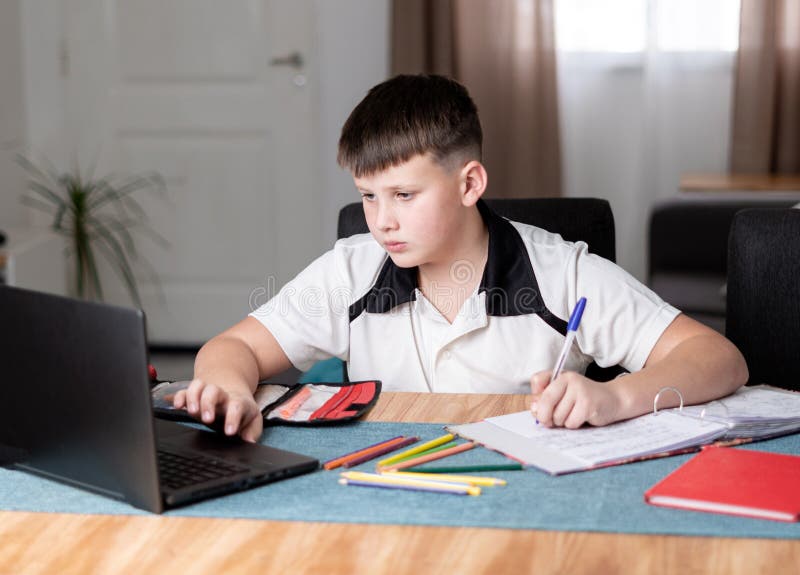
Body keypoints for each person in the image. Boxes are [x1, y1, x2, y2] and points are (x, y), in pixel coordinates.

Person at [173, 74, 747, 442]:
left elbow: (716, 357)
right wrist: (227, 387)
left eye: (404, 195)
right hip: (384, 484)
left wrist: (615, 396)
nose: (382, 221)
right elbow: (235, 347)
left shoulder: (561, 273)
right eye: (367, 197)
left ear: (469, 183)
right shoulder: (350, 269)